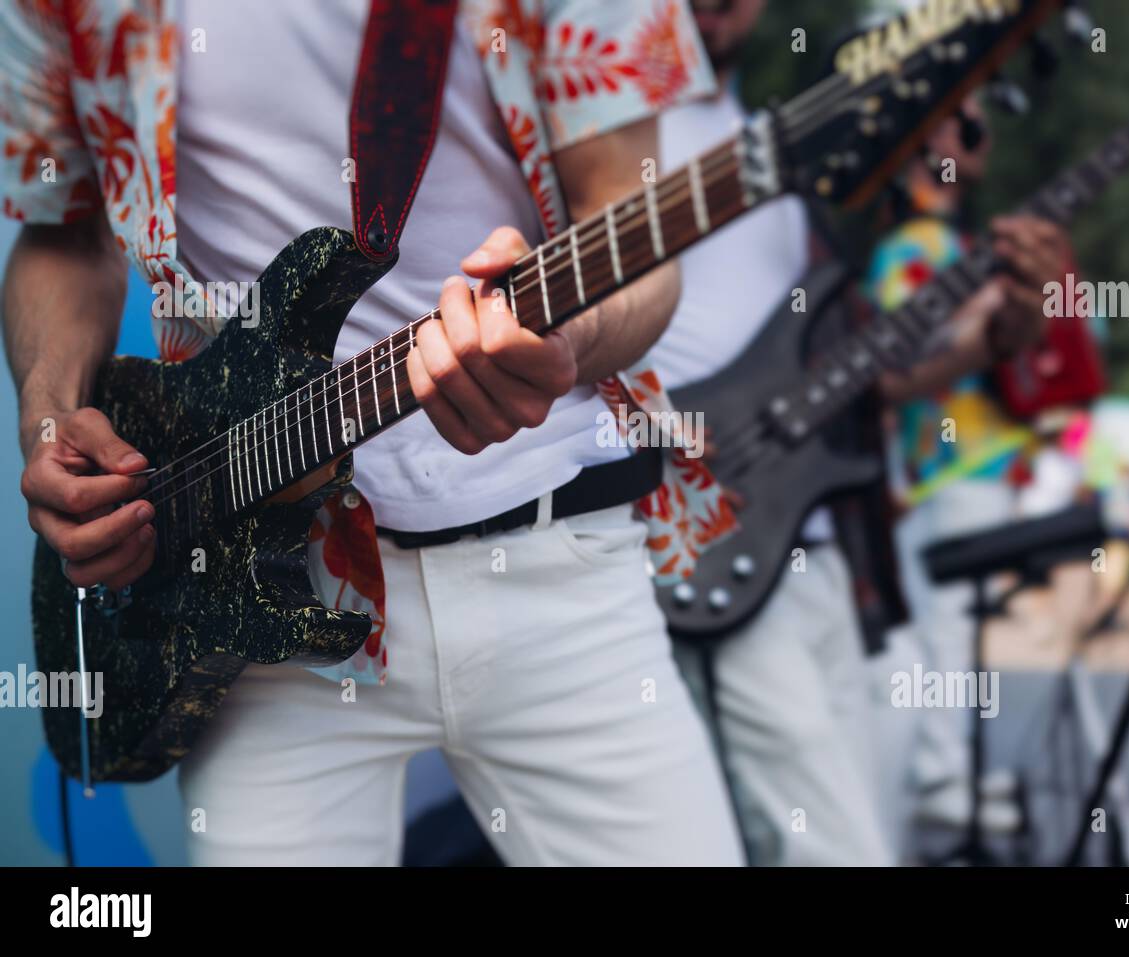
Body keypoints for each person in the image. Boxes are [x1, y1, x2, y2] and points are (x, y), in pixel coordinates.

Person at [2, 0, 744, 866]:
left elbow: (633, 218)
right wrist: (48, 415)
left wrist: (569, 340)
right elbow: (62, 225)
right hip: (257, 616)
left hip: (561, 562)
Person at [651, 0, 895, 866]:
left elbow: (820, 346)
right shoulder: (613, 138)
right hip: (711, 536)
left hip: (812, 529)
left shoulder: (766, 137)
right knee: (837, 849)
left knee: (865, 817)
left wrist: (983, 339)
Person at [865, 92, 1074, 833]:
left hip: (979, 467)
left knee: (958, 627)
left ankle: (950, 766)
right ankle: (939, 773)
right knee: (940, 627)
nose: (974, 135)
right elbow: (895, 364)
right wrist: (985, 326)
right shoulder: (911, 248)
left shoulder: (958, 242)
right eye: (960, 119)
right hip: (938, 470)